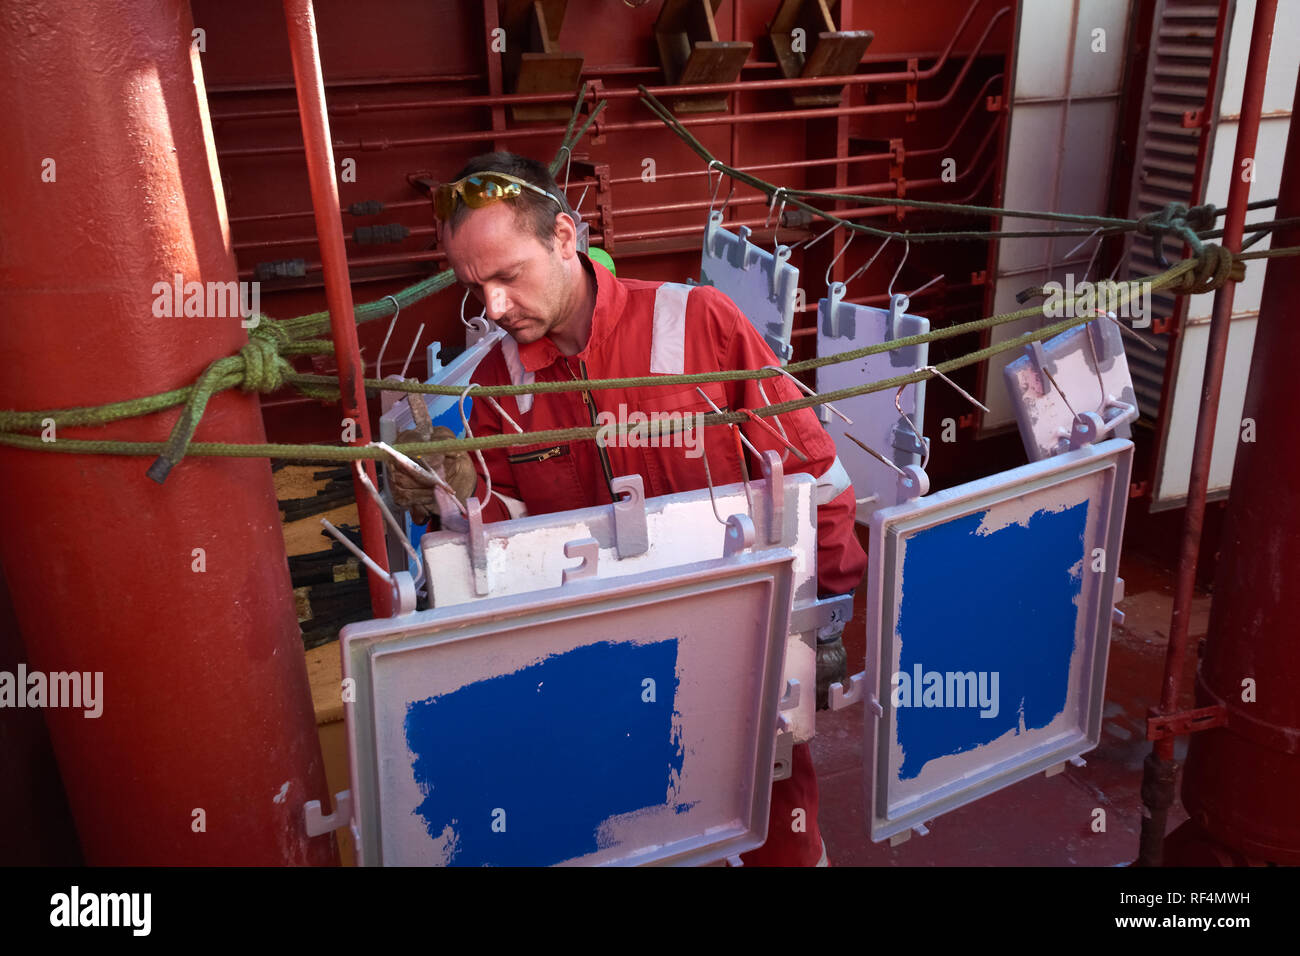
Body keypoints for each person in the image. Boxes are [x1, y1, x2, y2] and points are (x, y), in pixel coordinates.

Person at [391, 151, 867, 866]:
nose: (491, 308)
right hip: (601, 678)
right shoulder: (499, 382)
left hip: (737, 651)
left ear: (562, 236)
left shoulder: (700, 323)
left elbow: (812, 472)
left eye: (506, 276)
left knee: (778, 828)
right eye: (474, 286)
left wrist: (826, 614)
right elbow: (509, 535)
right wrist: (451, 497)